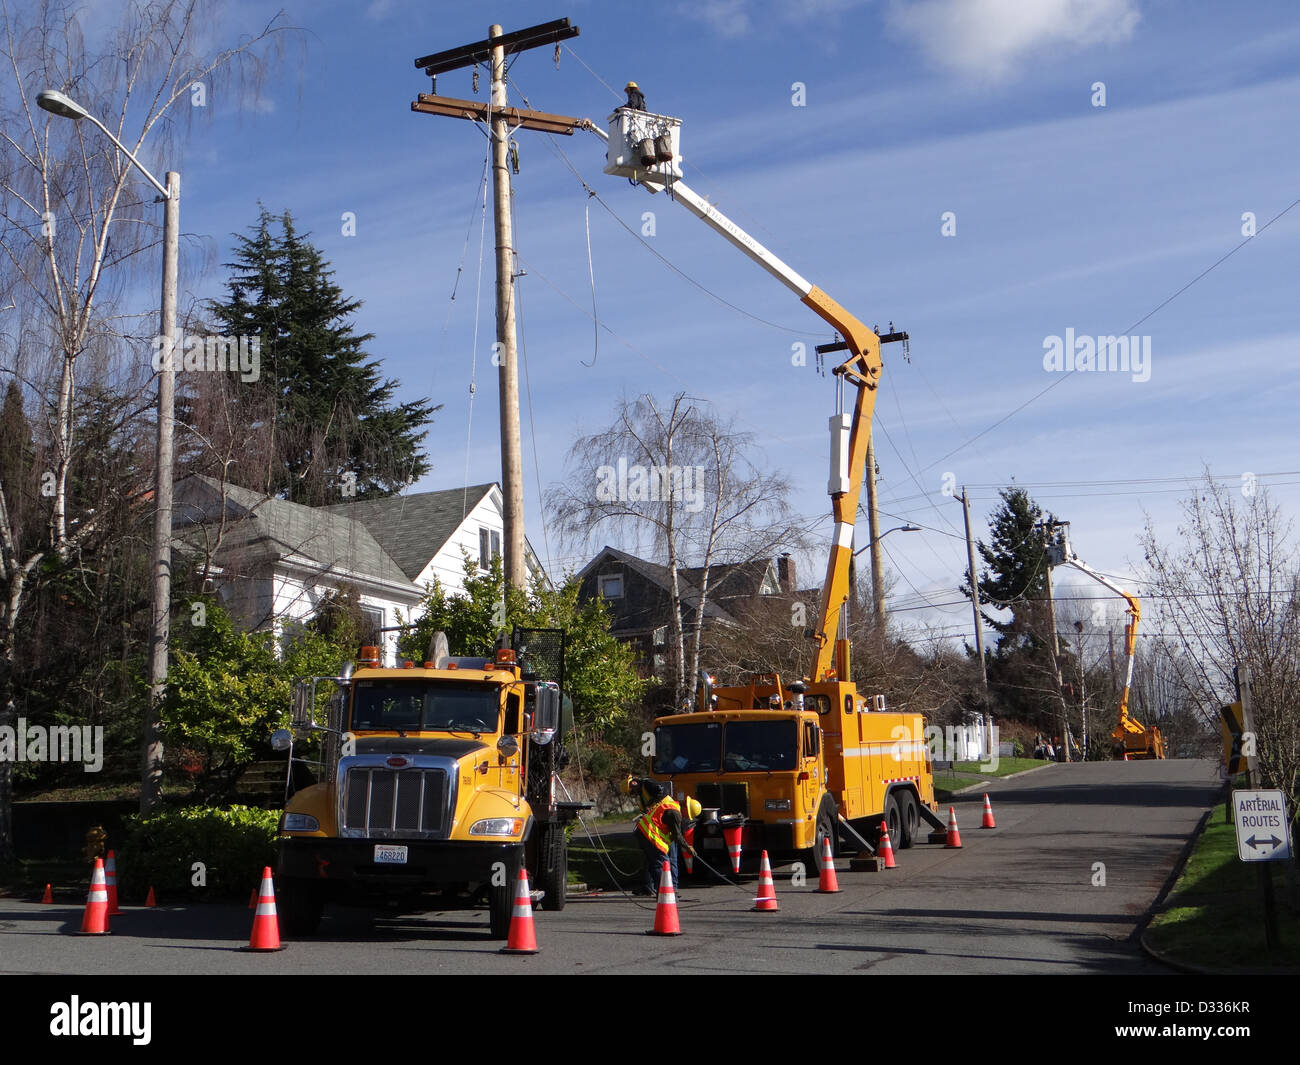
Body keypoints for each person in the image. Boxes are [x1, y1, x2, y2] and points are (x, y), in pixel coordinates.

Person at [625, 776, 692, 895]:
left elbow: (676, 834)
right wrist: (687, 847)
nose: (633, 794)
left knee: (665, 861)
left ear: (634, 783)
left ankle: (670, 888)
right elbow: (677, 835)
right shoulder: (672, 810)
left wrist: (686, 846)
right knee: (661, 862)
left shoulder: (649, 785)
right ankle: (664, 891)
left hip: (652, 834)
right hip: (651, 834)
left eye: (632, 791)